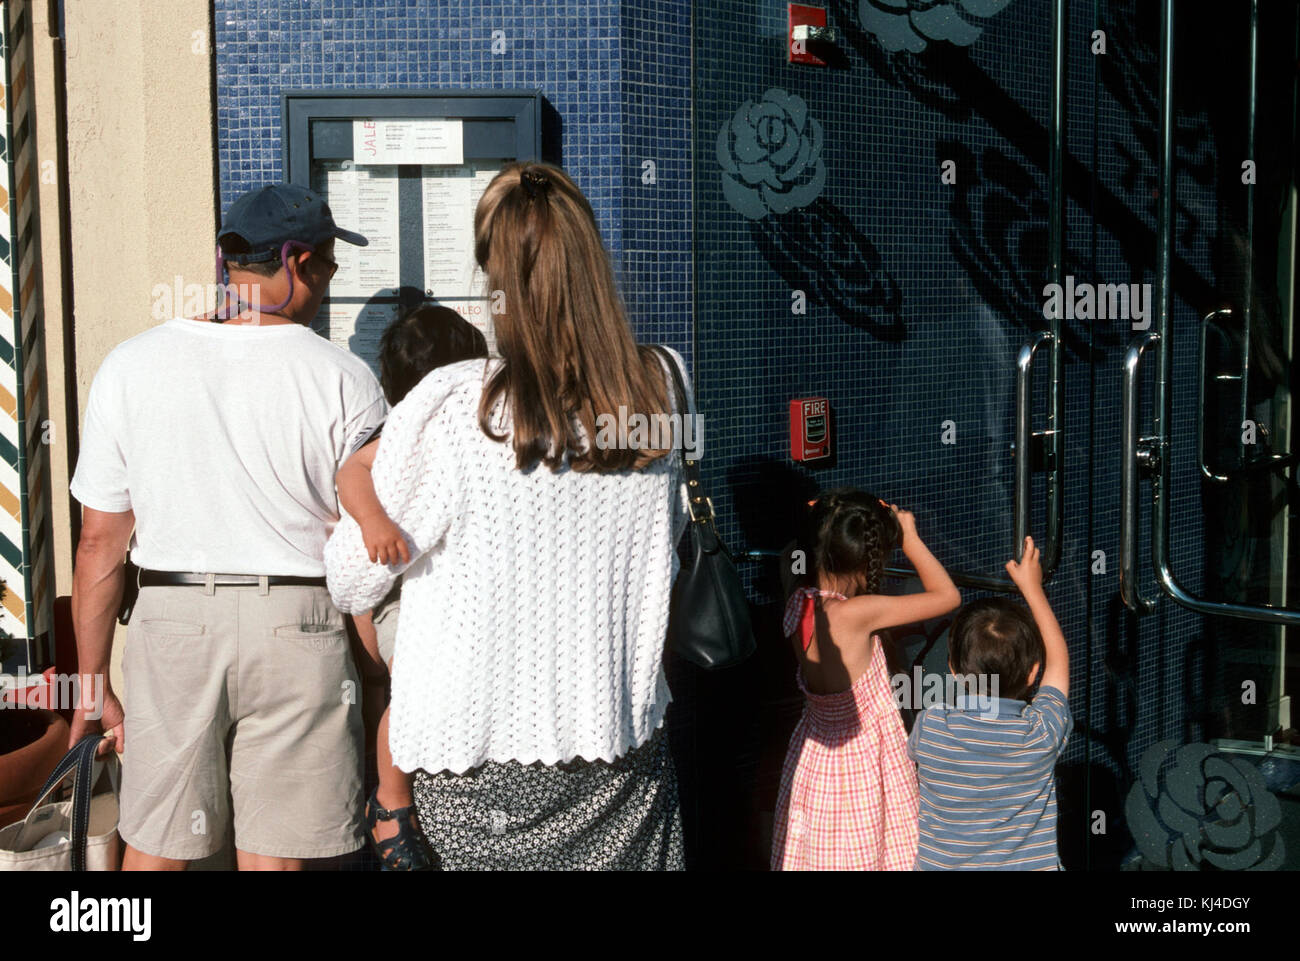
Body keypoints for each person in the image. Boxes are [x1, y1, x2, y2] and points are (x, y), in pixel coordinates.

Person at [324, 162, 690, 870]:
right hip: (621, 750)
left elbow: (352, 582)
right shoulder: (662, 387)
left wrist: (359, 489)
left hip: (475, 769)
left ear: (496, 280)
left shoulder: (452, 406)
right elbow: (662, 543)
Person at [67, 184, 387, 870]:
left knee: (155, 845)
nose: (328, 285)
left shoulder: (131, 364)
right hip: (298, 622)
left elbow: (100, 544)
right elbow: (359, 538)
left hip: (172, 617)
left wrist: (92, 688)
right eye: (329, 266)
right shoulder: (343, 377)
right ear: (297, 261)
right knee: (276, 855)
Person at [340, 303, 488, 870]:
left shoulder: (479, 428)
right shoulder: (401, 429)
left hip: (426, 592)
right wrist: (375, 521)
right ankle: (391, 802)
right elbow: (350, 472)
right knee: (412, 690)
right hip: (398, 595)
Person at [772, 490, 960, 870]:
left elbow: (798, 549)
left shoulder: (798, 603)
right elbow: (947, 596)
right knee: (874, 851)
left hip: (815, 758)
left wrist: (826, 514)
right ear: (866, 561)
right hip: (864, 761)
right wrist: (911, 540)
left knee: (823, 853)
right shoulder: (860, 613)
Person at [908, 535, 1072, 870]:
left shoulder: (933, 726)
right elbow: (1059, 664)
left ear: (952, 669)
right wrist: (1032, 588)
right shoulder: (1041, 735)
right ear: (1032, 674)